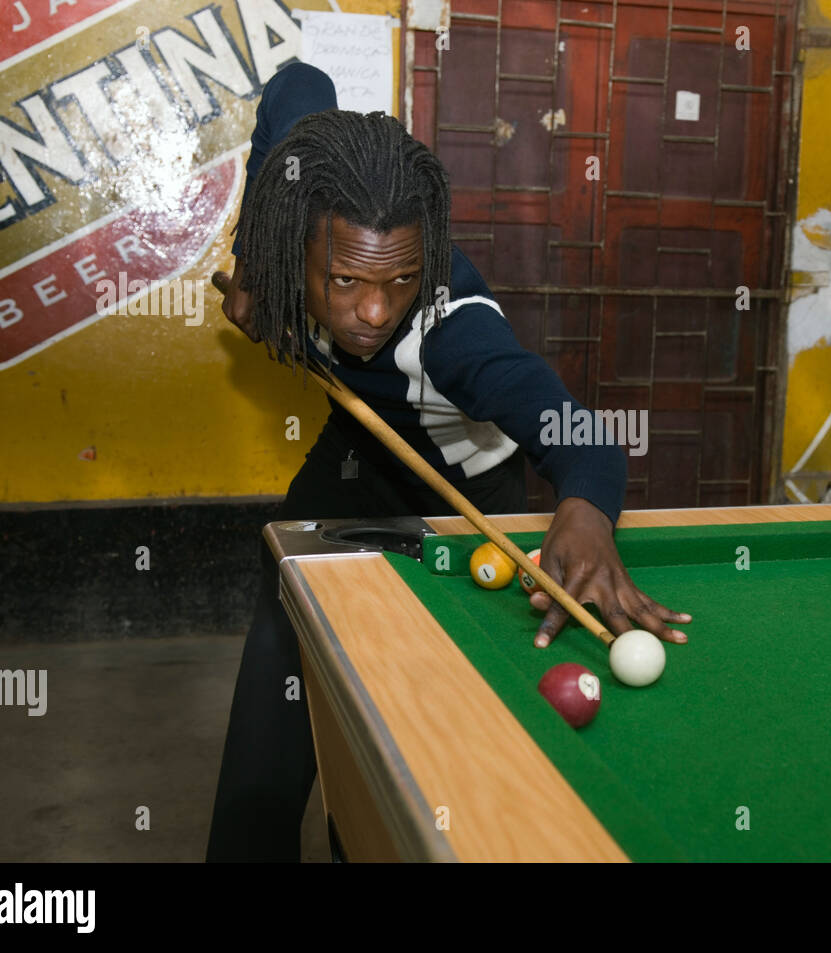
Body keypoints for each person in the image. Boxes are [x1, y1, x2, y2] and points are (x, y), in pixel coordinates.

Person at [205, 62, 690, 862]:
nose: (373, 308)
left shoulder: (449, 331)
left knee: (425, 700)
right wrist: (253, 263)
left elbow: (575, 431)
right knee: (281, 621)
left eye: (399, 278)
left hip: (465, 488)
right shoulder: (293, 207)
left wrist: (586, 509)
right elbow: (300, 80)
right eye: (346, 281)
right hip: (354, 451)